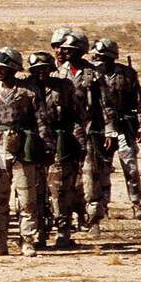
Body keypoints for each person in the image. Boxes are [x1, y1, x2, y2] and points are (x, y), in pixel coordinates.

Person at [0, 47, 54, 256]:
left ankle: (27, 240)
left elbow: (41, 121)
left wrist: (48, 147)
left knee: (27, 198)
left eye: (4, 68)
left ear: (14, 69)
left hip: (24, 150)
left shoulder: (29, 92)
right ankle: (1, 241)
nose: (0, 71)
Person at [55, 30, 112, 234]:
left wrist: (110, 130)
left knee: (90, 177)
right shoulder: (59, 73)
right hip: (67, 133)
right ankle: (75, 217)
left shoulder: (94, 74)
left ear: (80, 50)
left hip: (90, 131)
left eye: (71, 49)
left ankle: (94, 219)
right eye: (65, 49)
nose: (66, 52)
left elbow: (106, 104)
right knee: (68, 178)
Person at [26, 51, 83, 248]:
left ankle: (63, 232)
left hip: (60, 143)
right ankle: (39, 232)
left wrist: (80, 144)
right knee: (35, 191)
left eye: (45, 69)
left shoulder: (64, 87)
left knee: (60, 191)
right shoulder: (26, 88)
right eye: (37, 70)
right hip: (33, 146)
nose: (41, 73)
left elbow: (77, 116)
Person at [89, 37, 141, 220]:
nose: (97, 60)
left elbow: (139, 101)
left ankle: (136, 203)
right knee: (102, 167)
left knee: (130, 165)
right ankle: (104, 205)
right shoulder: (91, 75)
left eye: (101, 56)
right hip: (101, 128)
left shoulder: (127, 74)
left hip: (124, 127)